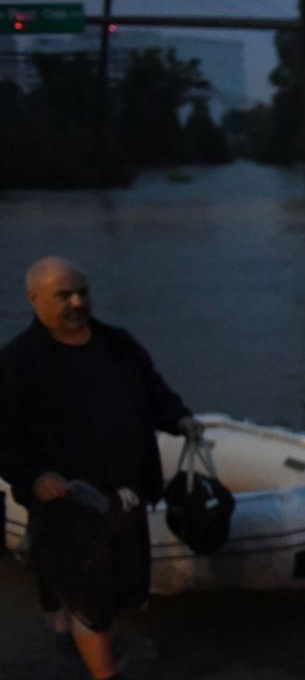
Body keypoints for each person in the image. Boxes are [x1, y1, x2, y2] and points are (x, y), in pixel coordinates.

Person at [0, 257, 205, 680]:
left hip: (126, 493)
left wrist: (179, 417)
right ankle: (103, 673)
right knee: (87, 597)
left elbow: (153, 389)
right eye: (64, 295)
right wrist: (35, 477)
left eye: (83, 291)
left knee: (125, 588)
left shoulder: (118, 344)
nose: (78, 301)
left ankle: (84, 648)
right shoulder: (18, 361)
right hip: (66, 503)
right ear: (34, 299)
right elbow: (5, 436)